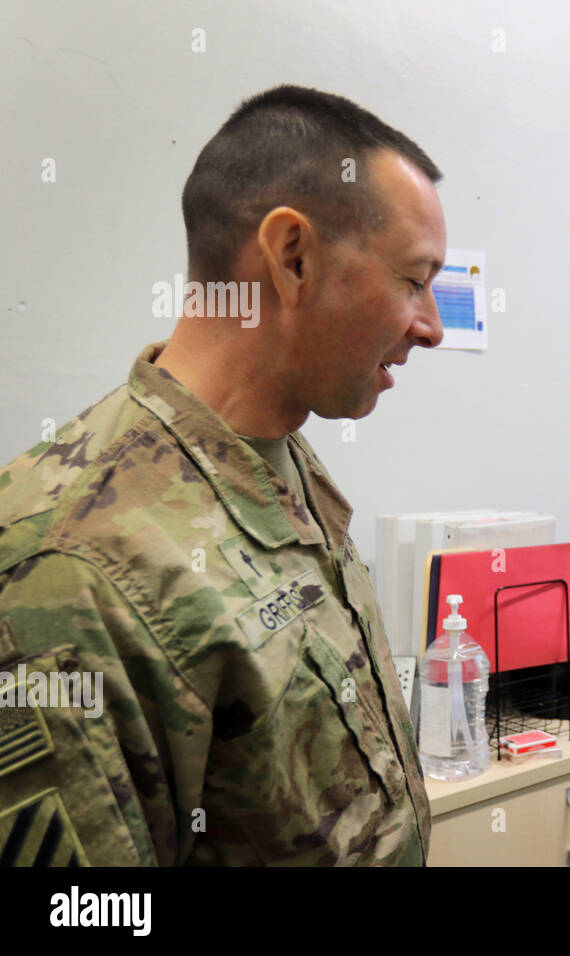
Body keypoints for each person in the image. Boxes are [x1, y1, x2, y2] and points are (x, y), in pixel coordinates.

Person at [0, 85, 446, 865]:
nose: (432, 326)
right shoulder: (70, 562)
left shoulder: (286, 463)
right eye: (414, 279)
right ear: (293, 257)